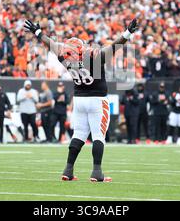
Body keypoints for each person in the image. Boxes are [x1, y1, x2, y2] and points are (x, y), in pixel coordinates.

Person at [24, 18, 139, 182]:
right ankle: (97, 172)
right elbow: (114, 47)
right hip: (97, 100)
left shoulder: (64, 58)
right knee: (98, 135)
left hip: (79, 100)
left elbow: (50, 44)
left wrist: (38, 33)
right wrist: (127, 33)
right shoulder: (94, 58)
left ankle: (68, 169)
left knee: (78, 135)